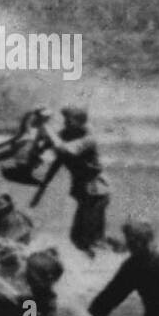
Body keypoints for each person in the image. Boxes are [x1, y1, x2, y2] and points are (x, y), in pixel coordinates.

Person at [38, 107, 110, 255]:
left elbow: (65, 150)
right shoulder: (67, 134)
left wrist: (46, 127)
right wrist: (42, 188)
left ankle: (103, 261)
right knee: (79, 238)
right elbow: (56, 161)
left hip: (95, 191)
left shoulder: (88, 139)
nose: (65, 123)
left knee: (89, 239)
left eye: (68, 120)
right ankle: (99, 260)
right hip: (84, 191)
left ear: (79, 122)